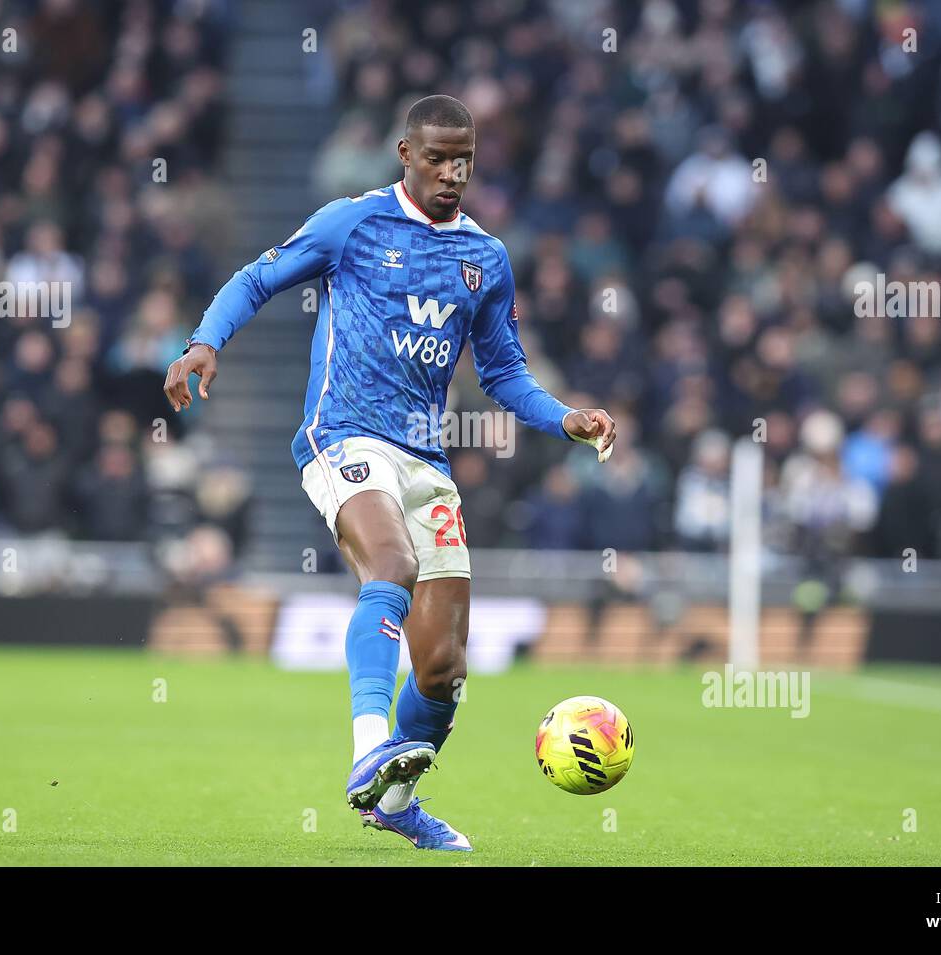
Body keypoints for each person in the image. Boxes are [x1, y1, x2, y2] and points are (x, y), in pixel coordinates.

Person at [163, 95, 615, 850]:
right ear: (405, 154)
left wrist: (564, 417)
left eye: (463, 159)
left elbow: (504, 373)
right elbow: (255, 278)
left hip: (425, 460)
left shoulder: (486, 259)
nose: (451, 172)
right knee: (392, 567)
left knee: (442, 669)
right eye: (436, 157)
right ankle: (367, 748)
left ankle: (396, 802)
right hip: (342, 434)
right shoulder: (353, 222)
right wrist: (205, 342)